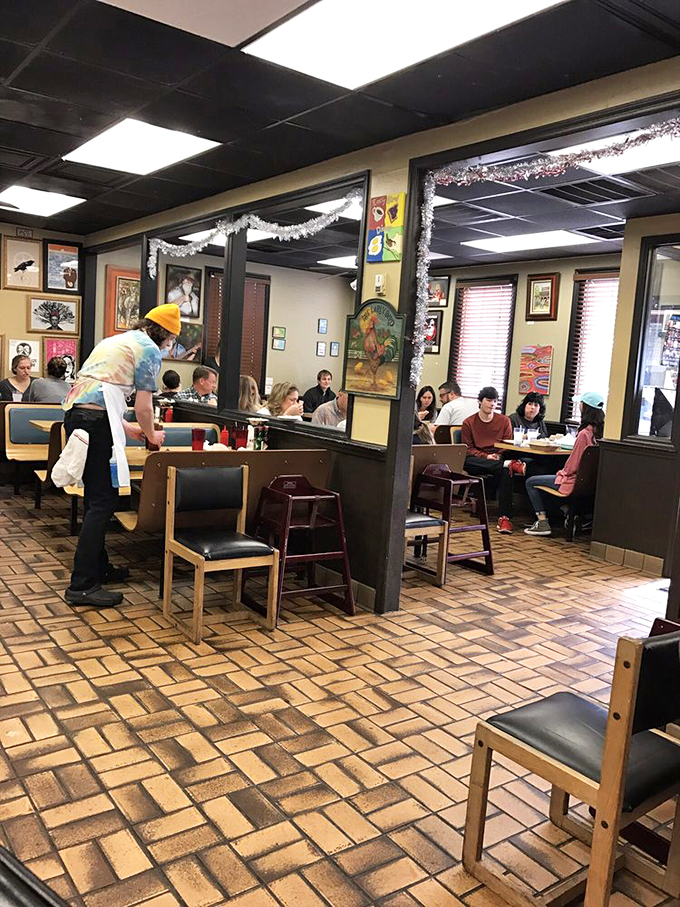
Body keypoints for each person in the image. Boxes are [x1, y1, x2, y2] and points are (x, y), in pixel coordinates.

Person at [62, 303, 180, 608]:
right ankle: (82, 585)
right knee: (103, 503)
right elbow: (143, 407)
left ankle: (98, 568)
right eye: (170, 341)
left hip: (78, 416)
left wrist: (127, 428)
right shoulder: (149, 350)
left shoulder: (115, 340)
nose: (168, 347)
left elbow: (97, 390)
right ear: (165, 335)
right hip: (96, 422)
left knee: (95, 499)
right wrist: (152, 434)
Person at [524, 392, 605, 537]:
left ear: (585, 407)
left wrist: (561, 473)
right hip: (589, 483)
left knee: (531, 481)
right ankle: (569, 513)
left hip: (573, 481)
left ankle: (542, 523)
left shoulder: (583, 434)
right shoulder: (600, 433)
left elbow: (572, 466)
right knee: (549, 478)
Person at [495, 392, 549, 534]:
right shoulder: (513, 419)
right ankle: (505, 517)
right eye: (530, 404)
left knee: (547, 468)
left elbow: (544, 440)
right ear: (524, 406)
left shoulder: (540, 422)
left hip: (534, 458)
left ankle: (546, 515)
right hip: (515, 455)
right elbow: (507, 440)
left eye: (536, 405)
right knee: (508, 470)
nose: (532, 408)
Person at [461, 386, 512, 520]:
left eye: (495, 401)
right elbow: (468, 448)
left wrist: (498, 455)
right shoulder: (468, 422)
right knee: (467, 460)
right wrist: (486, 456)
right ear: (480, 401)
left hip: (498, 458)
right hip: (477, 459)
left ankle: (504, 517)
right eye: (489, 400)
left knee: (506, 472)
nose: (492, 404)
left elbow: (507, 444)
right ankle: (509, 465)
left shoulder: (504, 420)